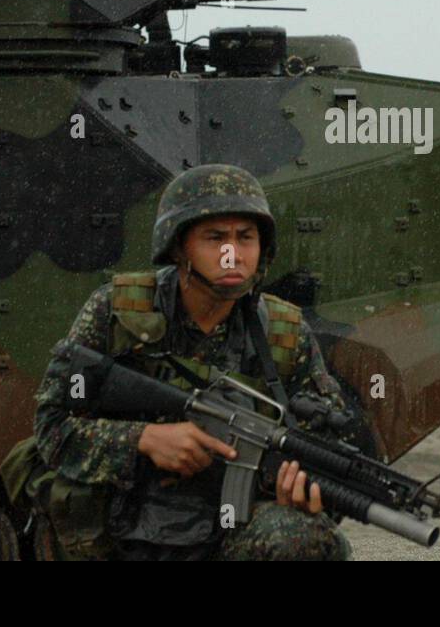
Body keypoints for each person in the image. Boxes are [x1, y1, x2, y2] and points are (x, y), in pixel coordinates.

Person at [32, 164, 352, 560]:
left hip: (229, 534)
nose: (232, 253)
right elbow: (52, 431)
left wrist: (303, 491)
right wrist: (144, 440)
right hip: (119, 529)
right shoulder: (115, 310)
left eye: (245, 237)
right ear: (179, 246)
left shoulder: (284, 332)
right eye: (215, 237)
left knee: (305, 538)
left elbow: (330, 447)